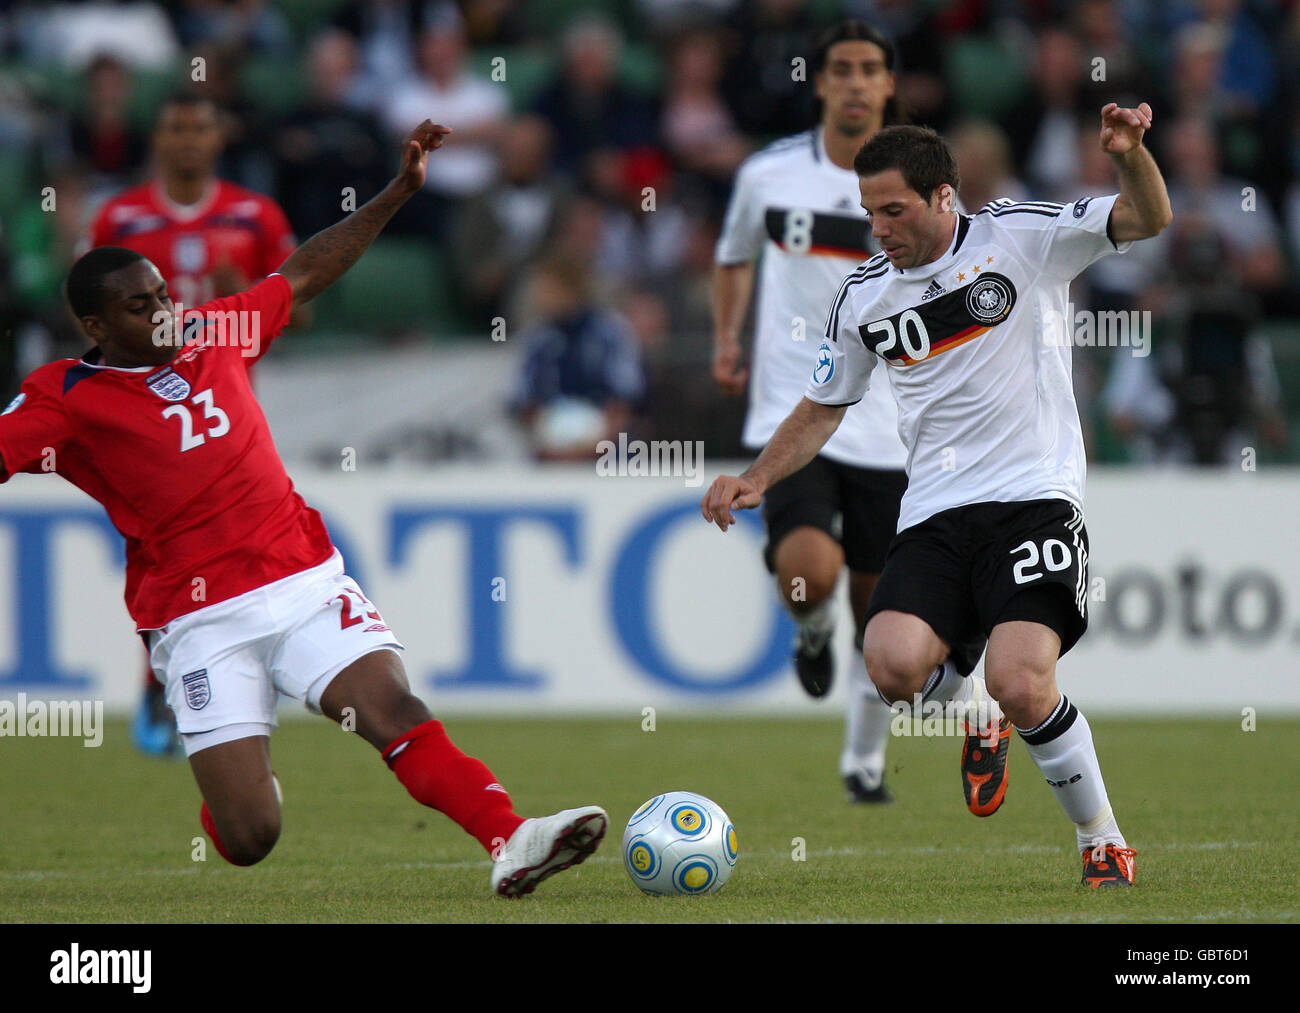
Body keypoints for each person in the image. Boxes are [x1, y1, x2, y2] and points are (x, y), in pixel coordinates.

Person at [1, 121, 607, 897]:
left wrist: (394, 194)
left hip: (300, 574)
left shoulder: (212, 329)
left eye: (161, 295)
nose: (162, 314)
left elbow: (308, 270)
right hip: (197, 616)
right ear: (95, 326)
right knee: (252, 836)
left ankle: (512, 836)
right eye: (138, 307)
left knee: (391, 705)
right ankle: (234, 796)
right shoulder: (63, 397)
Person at [702, 102, 1173, 886]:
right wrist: (755, 477)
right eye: (868, 212)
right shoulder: (864, 297)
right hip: (935, 510)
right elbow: (823, 406)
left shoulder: (1021, 236)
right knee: (889, 667)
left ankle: (1102, 839)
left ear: (944, 196)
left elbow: (1149, 217)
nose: (878, 227)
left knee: (1021, 680)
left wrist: (1129, 154)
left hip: (1034, 497)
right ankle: (980, 716)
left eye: (894, 210)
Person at [712, 20, 950, 805]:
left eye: (870, 69)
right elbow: (733, 255)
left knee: (879, 613)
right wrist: (725, 336)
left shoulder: (920, 183)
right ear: (818, 83)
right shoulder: (769, 175)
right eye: (841, 68)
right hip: (798, 410)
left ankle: (862, 761)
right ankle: (808, 632)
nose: (854, 81)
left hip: (894, 425)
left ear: (890, 86)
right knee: (810, 574)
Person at [85, 92, 307, 758]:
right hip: (140, 419)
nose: (186, 139)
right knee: (161, 548)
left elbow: (304, 308)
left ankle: (214, 690)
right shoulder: (120, 216)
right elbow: (87, 311)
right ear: (156, 138)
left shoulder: (255, 214)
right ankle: (162, 680)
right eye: (174, 127)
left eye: (199, 128)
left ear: (219, 138)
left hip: (225, 418)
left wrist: (241, 290)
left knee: (232, 552)